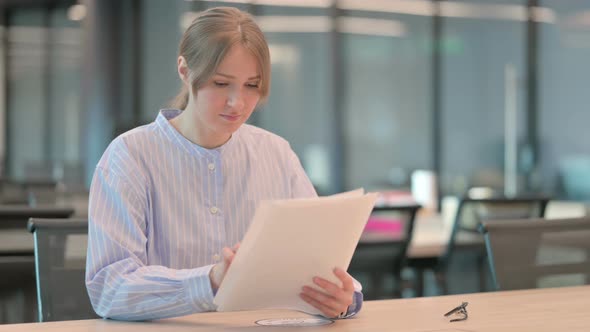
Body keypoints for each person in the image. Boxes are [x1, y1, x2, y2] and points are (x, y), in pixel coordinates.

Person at [85, 6, 363, 321]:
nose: (238, 102)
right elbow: (109, 289)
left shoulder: (276, 153)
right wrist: (210, 281)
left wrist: (344, 299)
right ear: (185, 70)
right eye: (221, 84)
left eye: (251, 85)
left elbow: (320, 261)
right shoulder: (129, 156)